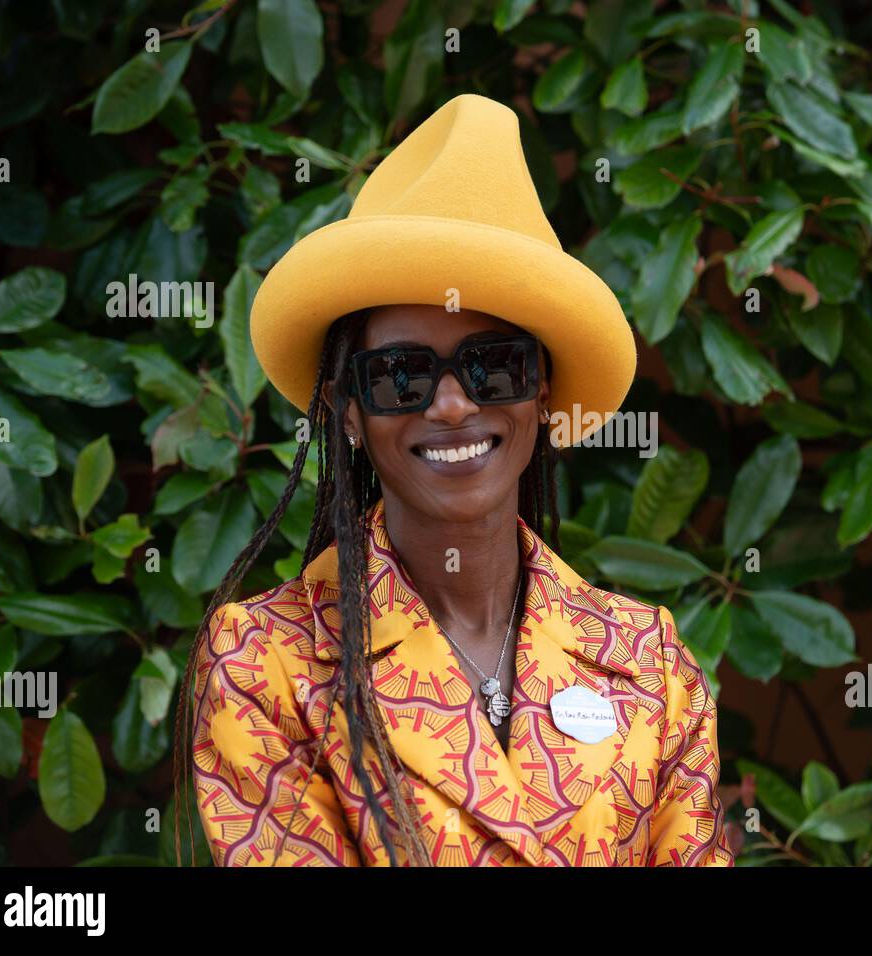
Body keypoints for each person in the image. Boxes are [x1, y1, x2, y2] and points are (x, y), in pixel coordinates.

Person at [174, 94, 733, 867]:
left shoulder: (651, 662)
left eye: (493, 365)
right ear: (346, 411)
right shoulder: (266, 664)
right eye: (400, 375)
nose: (452, 404)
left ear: (542, 392)